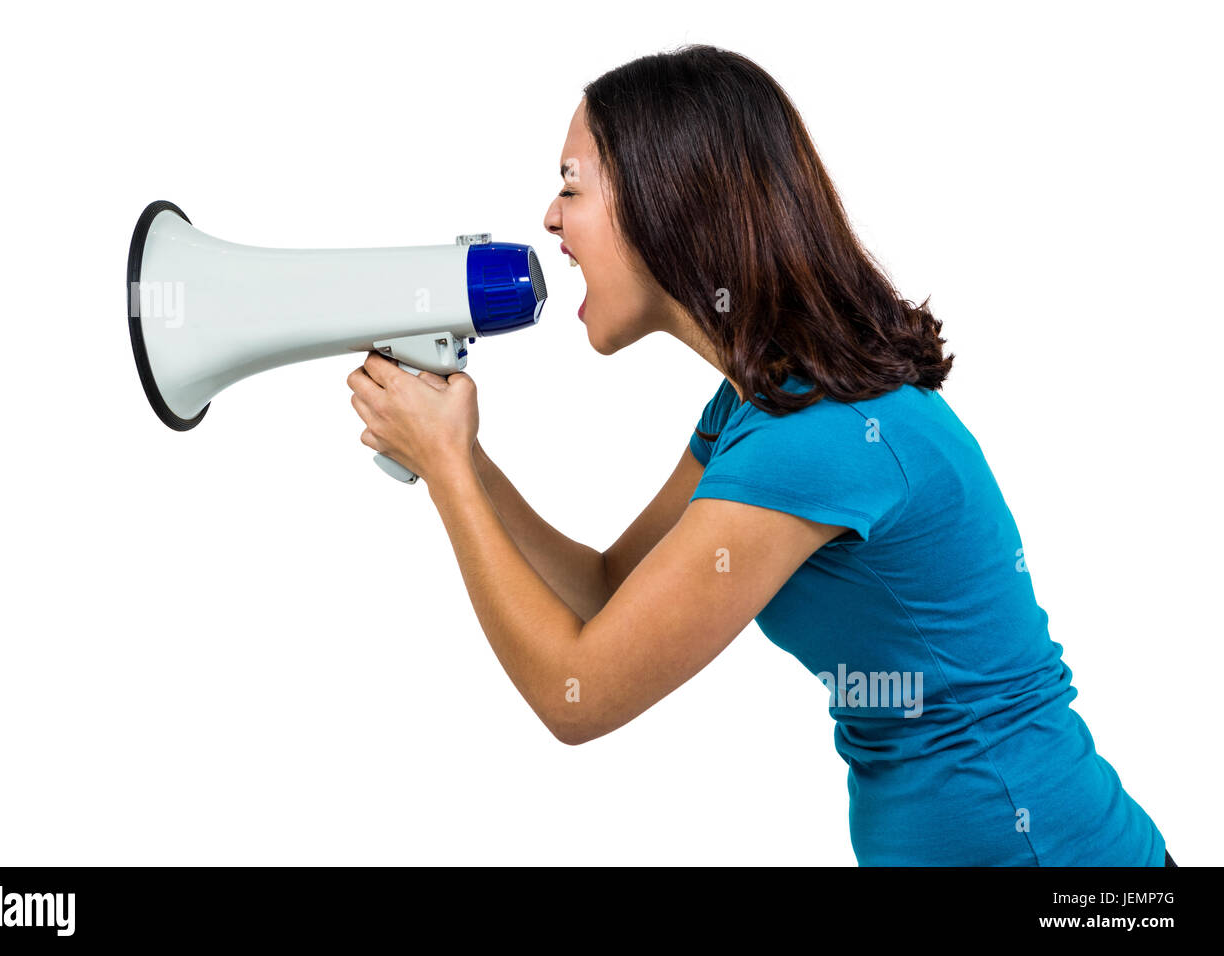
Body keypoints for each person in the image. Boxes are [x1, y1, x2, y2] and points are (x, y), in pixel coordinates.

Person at [346, 44, 1171, 866]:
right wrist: (466, 457)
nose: (550, 220)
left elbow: (579, 696)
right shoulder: (764, 398)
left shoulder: (819, 436)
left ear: (668, 201)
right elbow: (606, 592)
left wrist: (449, 472)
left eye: (572, 185)